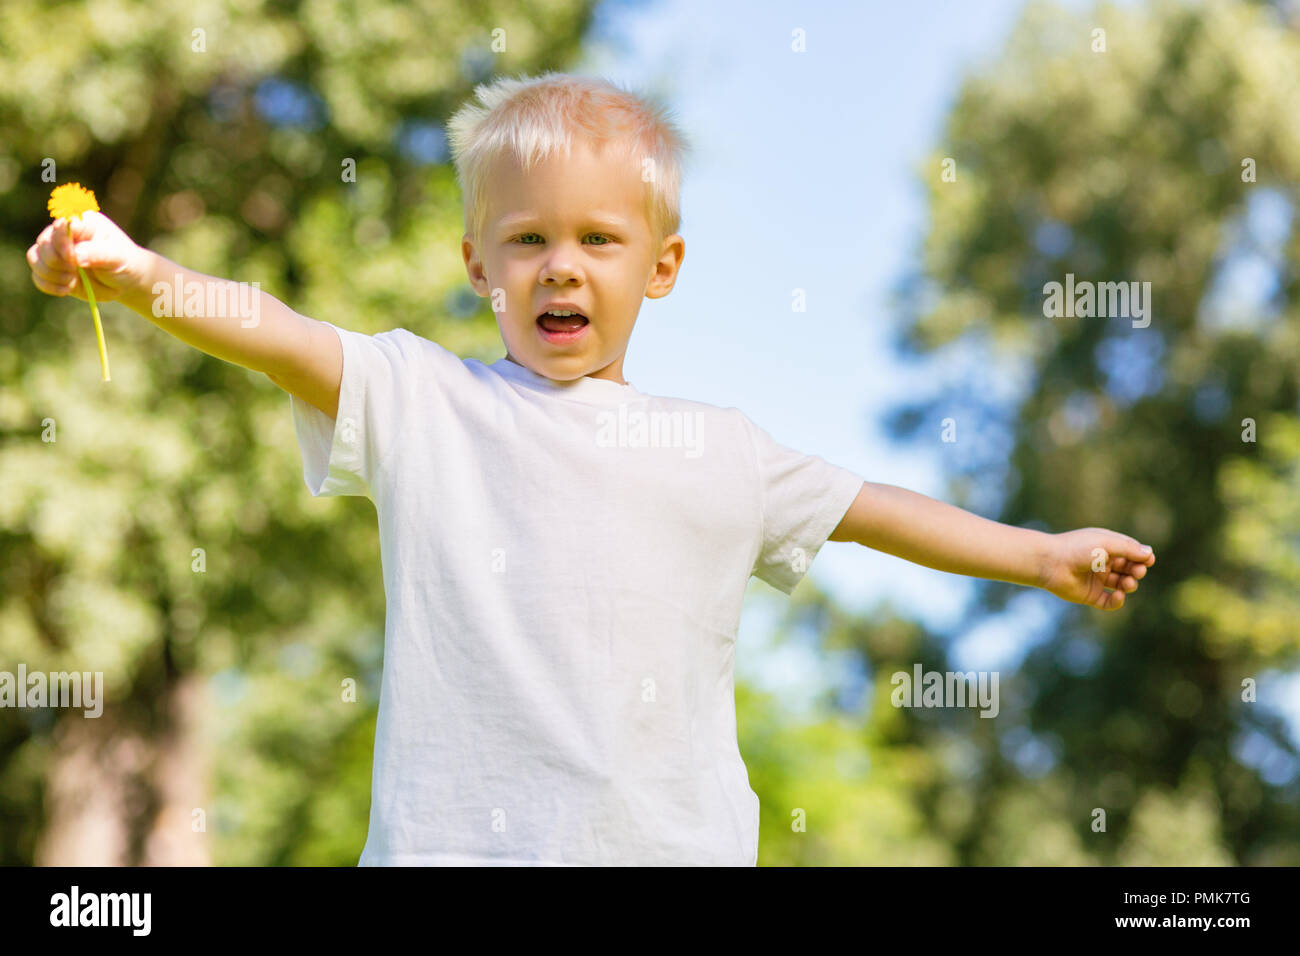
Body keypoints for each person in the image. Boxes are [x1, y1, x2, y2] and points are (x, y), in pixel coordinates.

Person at [25, 71, 1154, 866]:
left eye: (597, 240)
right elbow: (270, 327)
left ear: (659, 265)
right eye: (527, 239)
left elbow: (872, 510)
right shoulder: (426, 400)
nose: (560, 267)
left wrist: (1040, 553)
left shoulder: (719, 447)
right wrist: (134, 274)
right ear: (478, 260)